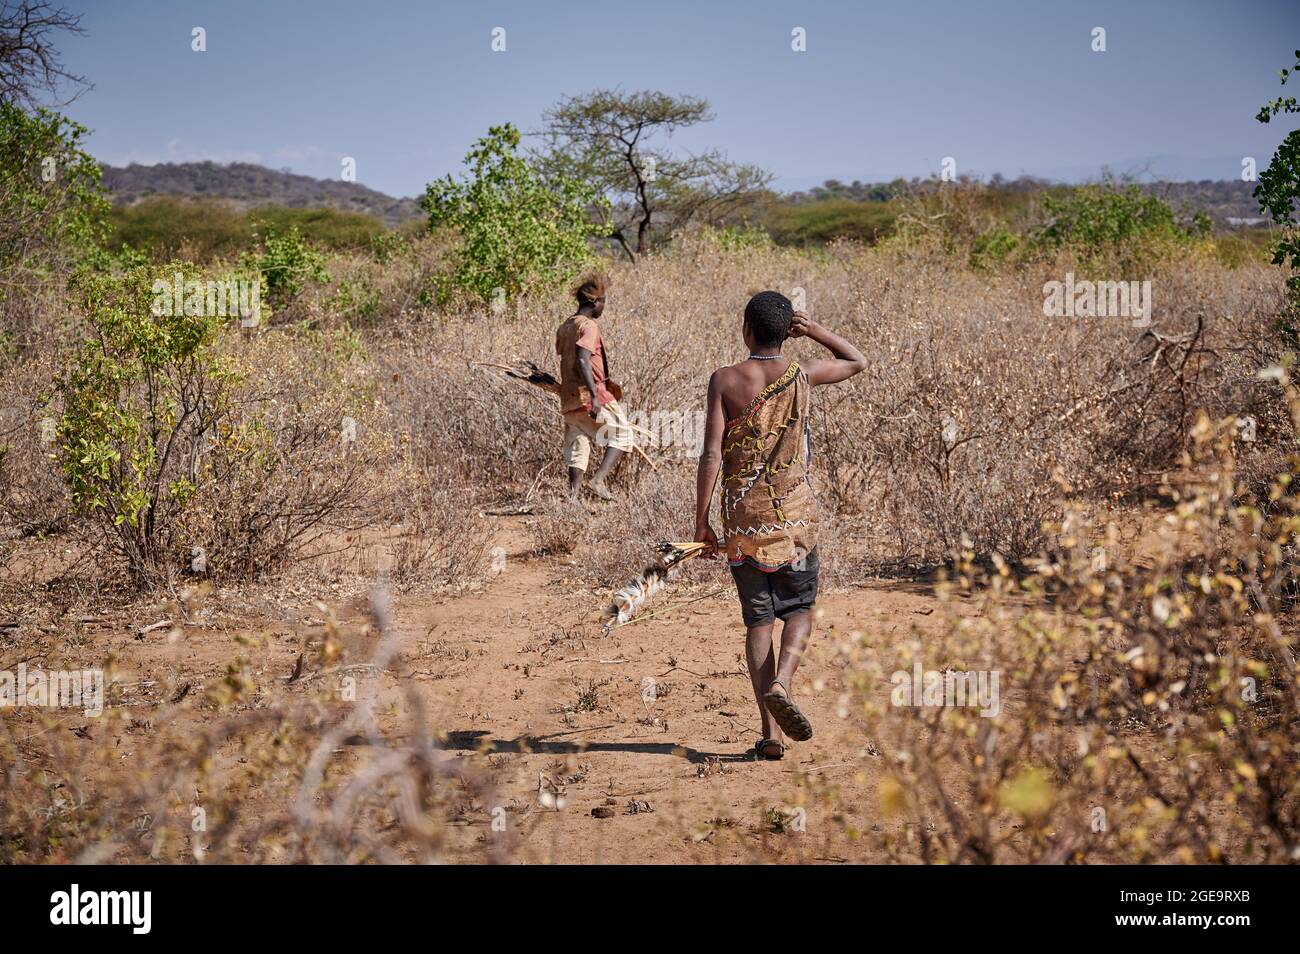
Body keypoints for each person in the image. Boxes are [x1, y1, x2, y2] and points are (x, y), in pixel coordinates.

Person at [693, 291, 865, 760]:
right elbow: (856, 360)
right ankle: (784, 682)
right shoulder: (801, 374)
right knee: (800, 607)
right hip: (796, 522)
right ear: (788, 331)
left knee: (758, 620)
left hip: (742, 522)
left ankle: (770, 735)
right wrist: (813, 331)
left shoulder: (724, 380)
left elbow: (710, 452)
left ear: (746, 329)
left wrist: (702, 519)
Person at [554, 273, 635, 500]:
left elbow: (565, 357)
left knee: (577, 443)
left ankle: (573, 498)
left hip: (568, 397)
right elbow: (582, 359)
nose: (603, 308)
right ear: (594, 302)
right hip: (592, 392)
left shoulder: (566, 326)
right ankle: (598, 480)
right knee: (623, 434)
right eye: (603, 302)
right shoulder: (589, 326)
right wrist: (595, 397)